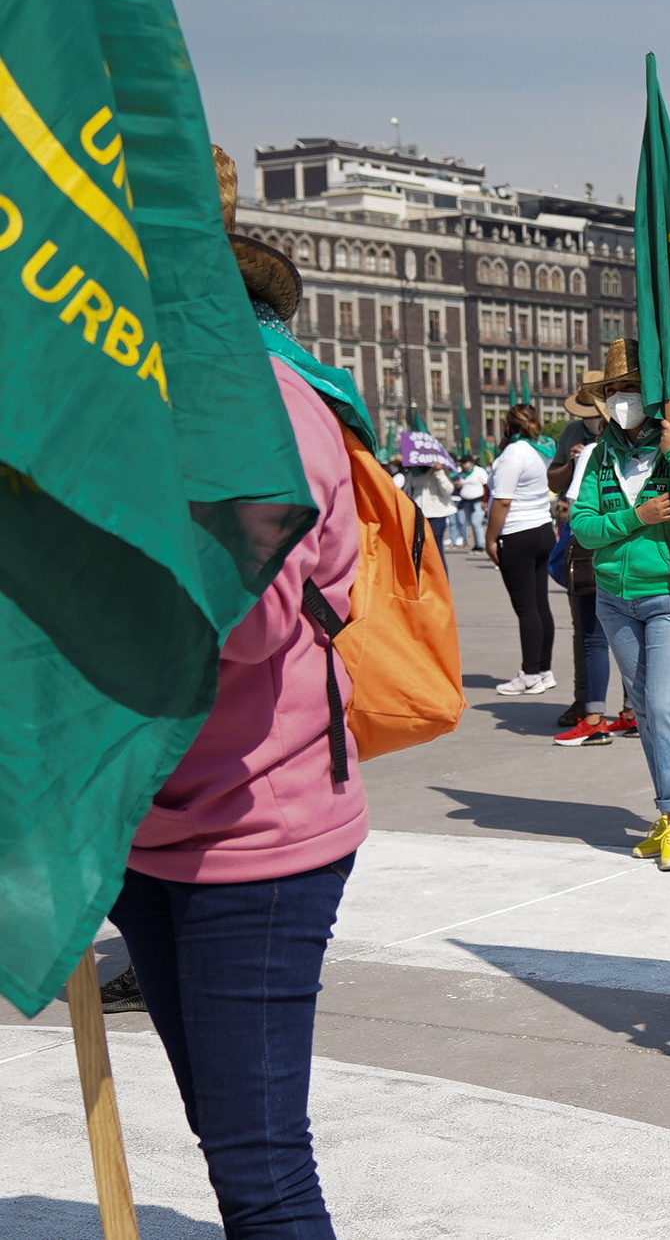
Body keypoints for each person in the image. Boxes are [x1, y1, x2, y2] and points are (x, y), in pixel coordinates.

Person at [108, 191, 366, 1239]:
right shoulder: (136, 398)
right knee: (225, 1128)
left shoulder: (262, 405)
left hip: (259, 827)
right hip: (147, 813)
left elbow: (249, 622)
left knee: (261, 1165)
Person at [570, 339, 670, 872]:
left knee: (662, 706)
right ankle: (668, 812)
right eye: (613, 389)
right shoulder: (600, 456)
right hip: (614, 599)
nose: (621, 398)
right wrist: (637, 517)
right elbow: (583, 528)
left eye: (631, 387)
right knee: (645, 713)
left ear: (653, 392)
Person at [547, 371, 634, 746]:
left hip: (594, 555)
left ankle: (594, 717)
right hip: (634, 557)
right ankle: (632, 712)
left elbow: (576, 511)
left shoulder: (595, 454)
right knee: (630, 638)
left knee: (593, 639)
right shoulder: (639, 451)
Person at [484, 403, 558, 694]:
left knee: (526, 608)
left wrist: (490, 538)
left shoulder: (513, 454)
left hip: (517, 533)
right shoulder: (540, 450)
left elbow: (503, 500)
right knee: (540, 605)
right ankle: (543, 670)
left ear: (507, 425)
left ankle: (529, 673)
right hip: (542, 528)